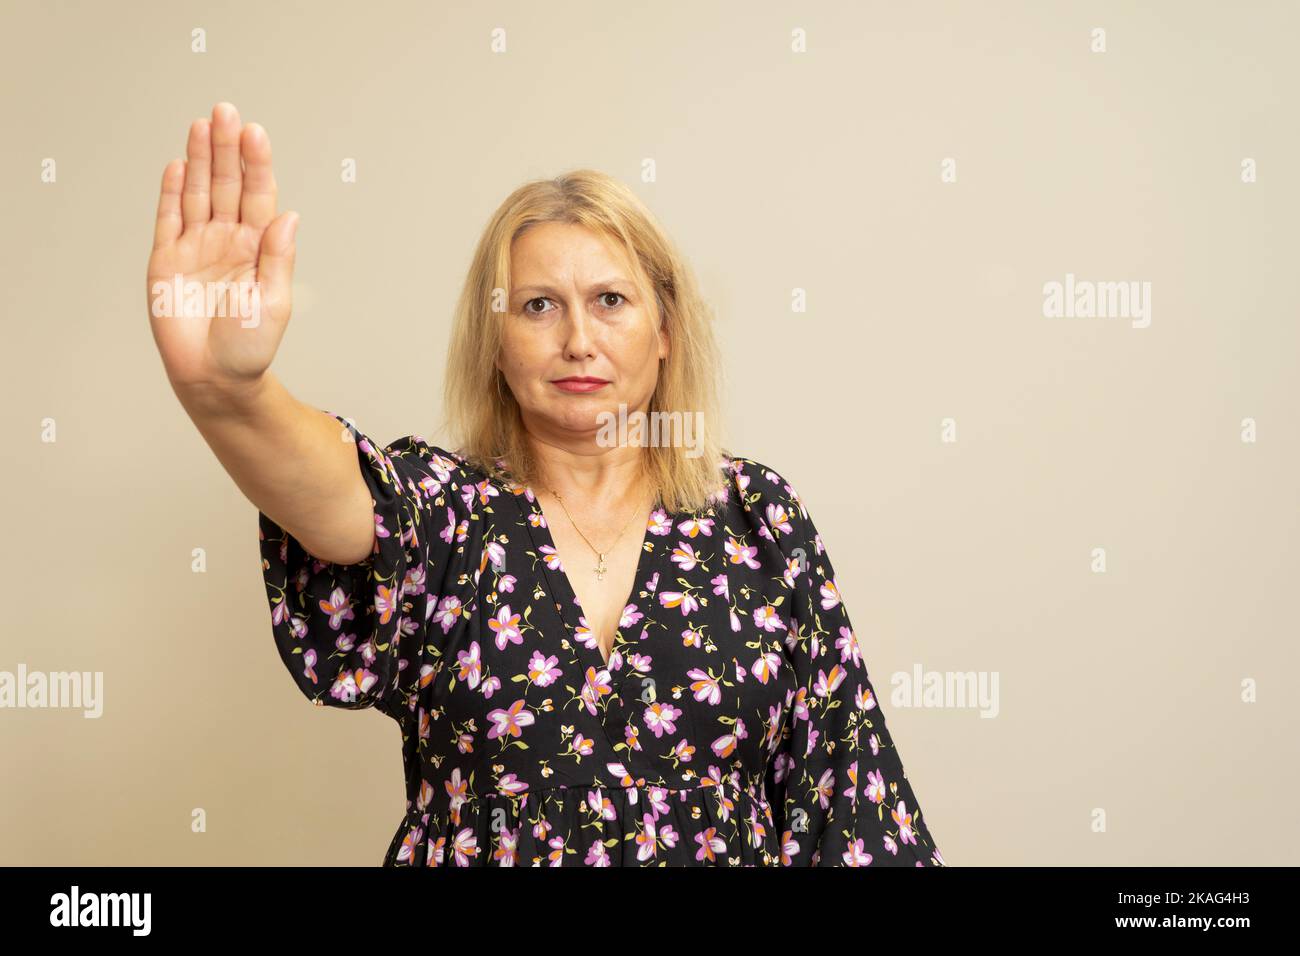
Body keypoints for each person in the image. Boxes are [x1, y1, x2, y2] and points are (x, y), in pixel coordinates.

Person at [147, 101, 946, 868]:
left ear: (665, 330)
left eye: (610, 300)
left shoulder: (755, 516)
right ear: (494, 341)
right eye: (537, 306)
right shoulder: (446, 513)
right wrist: (228, 392)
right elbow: (332, 492)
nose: (577, 340)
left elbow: (852, 803)